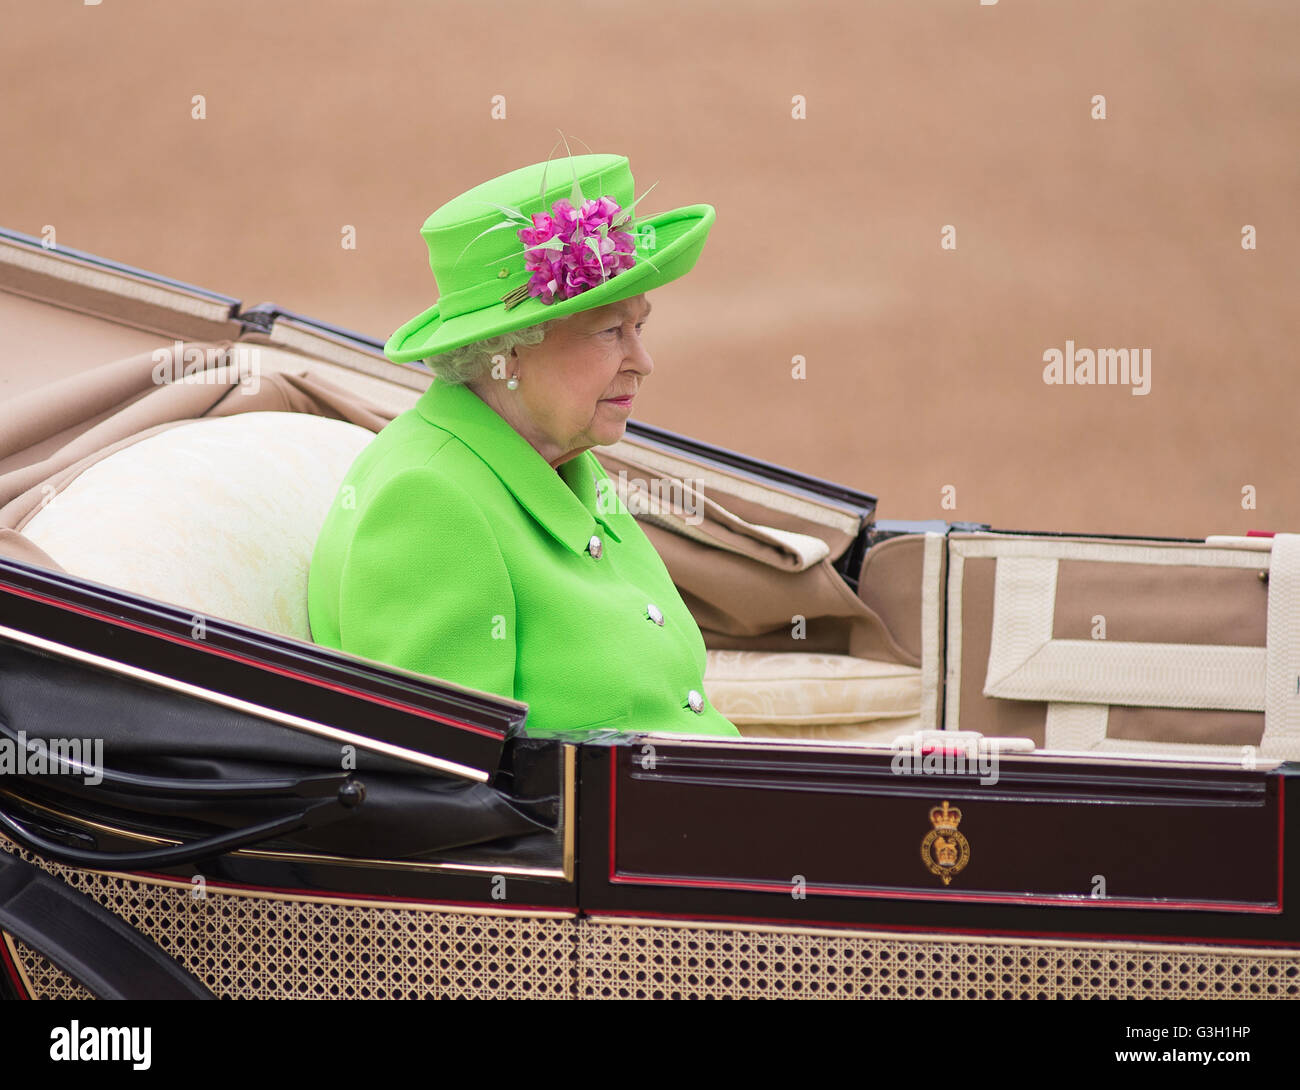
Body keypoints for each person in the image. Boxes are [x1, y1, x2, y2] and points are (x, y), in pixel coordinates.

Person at [307, 150, 740, 739]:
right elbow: (448, 787)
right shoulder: (431, 502)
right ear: (507, 352)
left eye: (640, 326)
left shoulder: (559, 458)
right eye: (610, 332)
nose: (643, 362)